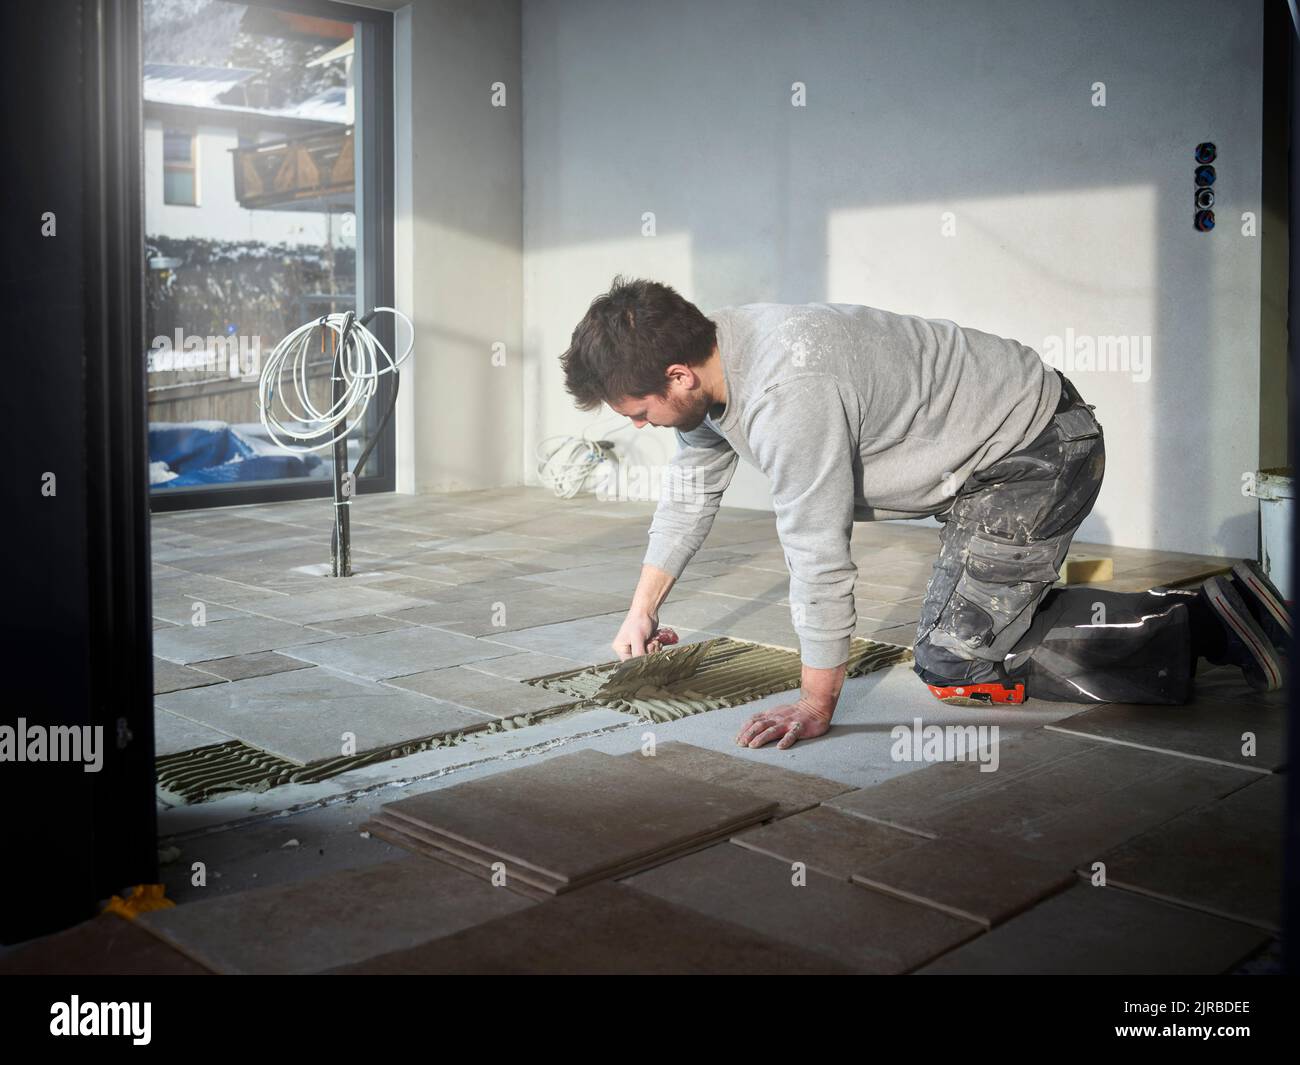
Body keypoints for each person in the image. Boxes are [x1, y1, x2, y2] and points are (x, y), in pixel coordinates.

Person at [559, 277, 1290, 750]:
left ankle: (1206, 627)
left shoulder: (788, 391)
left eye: (639, 411)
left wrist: (816, 704)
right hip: (992, 462)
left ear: (677, 375)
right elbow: (690, 495)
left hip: (1035, 454)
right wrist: (640, 610)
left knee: (954, 663)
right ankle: (1184, 612)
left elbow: (816, 548)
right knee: (969, 634)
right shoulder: (709, 355)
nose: (641, 426)